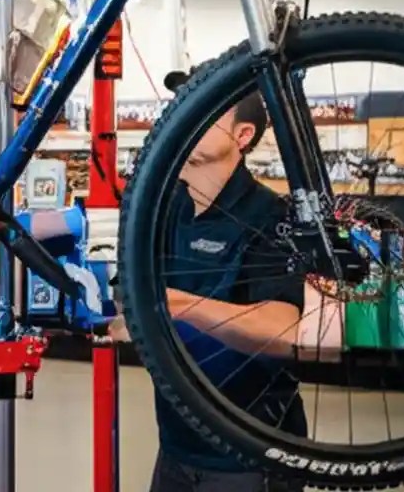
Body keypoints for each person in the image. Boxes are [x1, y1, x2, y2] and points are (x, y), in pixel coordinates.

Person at [114, 68, 307, 492]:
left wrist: (175, 305)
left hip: (249, 459)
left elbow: (284, 330)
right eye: (185, 103)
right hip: (175, 449)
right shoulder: (162, 211)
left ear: (243, 135)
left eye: (207, 106)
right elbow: (125, 299)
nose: (188, 114)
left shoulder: (272, 216)